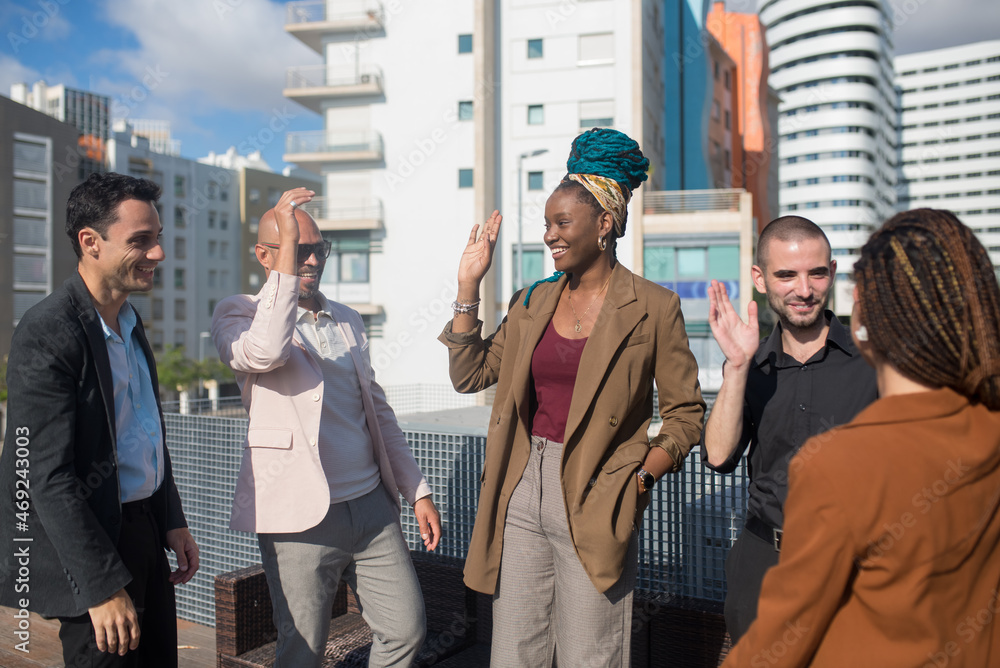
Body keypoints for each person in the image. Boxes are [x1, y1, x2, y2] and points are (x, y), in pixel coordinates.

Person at [439, 128, 705, 666]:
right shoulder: (532, 300)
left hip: (598, 491)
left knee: (591, 654)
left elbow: (686, 415)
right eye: (546, 224)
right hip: (520, 487)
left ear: (605, 224)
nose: (549, 236)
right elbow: (470, 376)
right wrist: (469, 287)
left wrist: (641, 478)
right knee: (515, 652)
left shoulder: (654, 308)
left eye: (562, 223)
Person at [722, 208, 1000, 666]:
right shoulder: (985, 431)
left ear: (867, 318)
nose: (804, 289)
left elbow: (774, 649)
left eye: (818, 274)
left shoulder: (837, 466)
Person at [211, 188, 441, 668]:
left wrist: (415, 489)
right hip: (299, 518)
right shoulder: (240, 314)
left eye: (319, 248)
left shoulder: (349, 320)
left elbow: (378, 412)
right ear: (265, 255)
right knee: (302, 652)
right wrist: (287, 274)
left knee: (406, 630)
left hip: (372, 507)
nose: (312, 259)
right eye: (300, 248)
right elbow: (266, 353)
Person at [0, 172, 199, 667]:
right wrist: (101, 585)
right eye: (141, 241)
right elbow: (41, 475)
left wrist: (171, 519)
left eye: (157, 239)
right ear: (91, 242)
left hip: (145, 530)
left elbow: (145, 433)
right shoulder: (48, 330)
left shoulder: (129, 324)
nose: (158, 255)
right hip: (94, 547)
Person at [701, 215, 877, 642]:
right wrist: (738, 367)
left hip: (855, 566)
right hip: (763, 564)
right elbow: (718, 457)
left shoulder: (874, 361)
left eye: (816, 273)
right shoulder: (750, 365)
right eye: (786, 275)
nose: (803, 290)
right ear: (760, 280)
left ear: (832, 273)